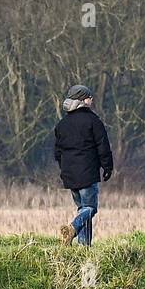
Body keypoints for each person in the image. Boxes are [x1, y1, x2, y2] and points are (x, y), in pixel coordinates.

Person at [54, 86, 113, 247]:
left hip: (69, 175)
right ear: (81, 100)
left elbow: (57, 153)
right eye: (89, 97)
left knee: (83, 208)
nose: (91, 100)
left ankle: (84, 247)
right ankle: (72, 228)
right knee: (90, 208)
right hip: (87, 173)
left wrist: (64, 169)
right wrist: (107, 167)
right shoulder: (93, 121)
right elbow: (103, 147)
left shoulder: (62, 124)